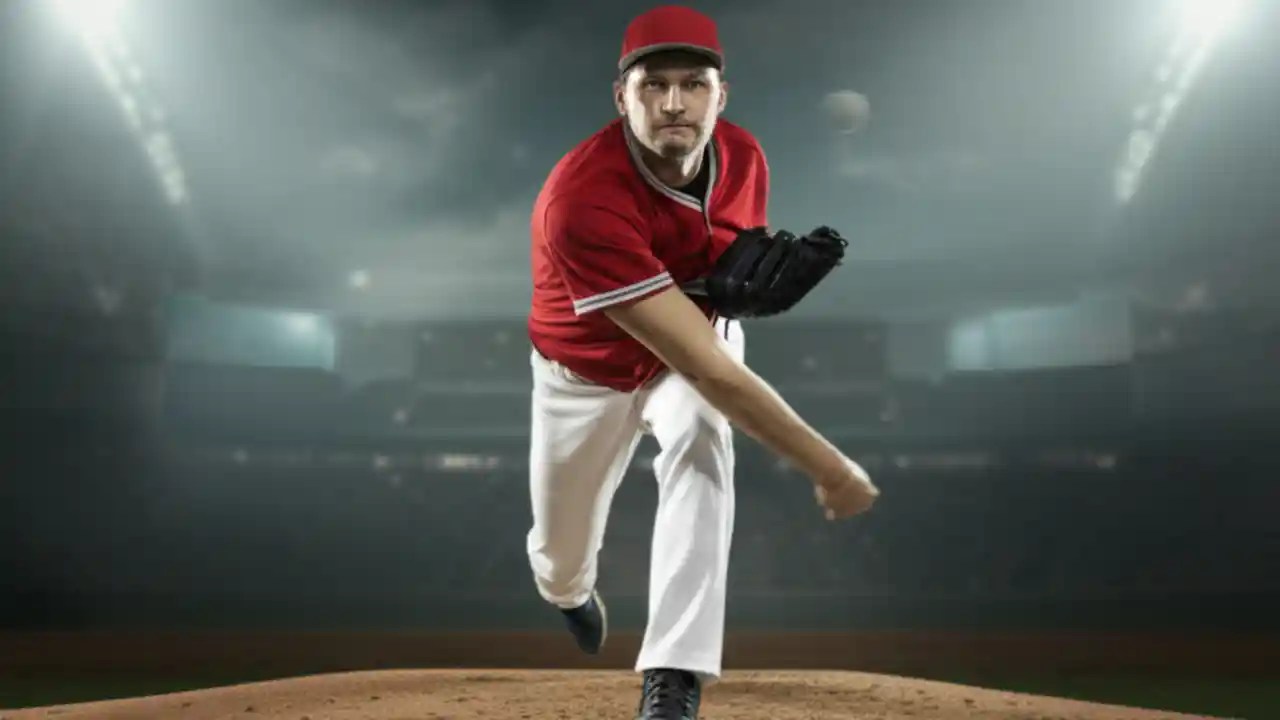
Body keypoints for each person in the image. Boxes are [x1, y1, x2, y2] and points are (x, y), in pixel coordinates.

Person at [524, 5, 880, 718]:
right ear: (622, 97)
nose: (674, 102)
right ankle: (564, 589)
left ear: (723, 94)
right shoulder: (581, 199)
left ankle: (674, 672)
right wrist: (831, 467)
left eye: (694, 83)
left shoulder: (745, 158)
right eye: (654, 85)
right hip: (583, 375)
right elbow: (709, 367)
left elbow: (706, 334)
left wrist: (734, 291)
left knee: (702, 433)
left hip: (688, 349)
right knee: (560, 554)